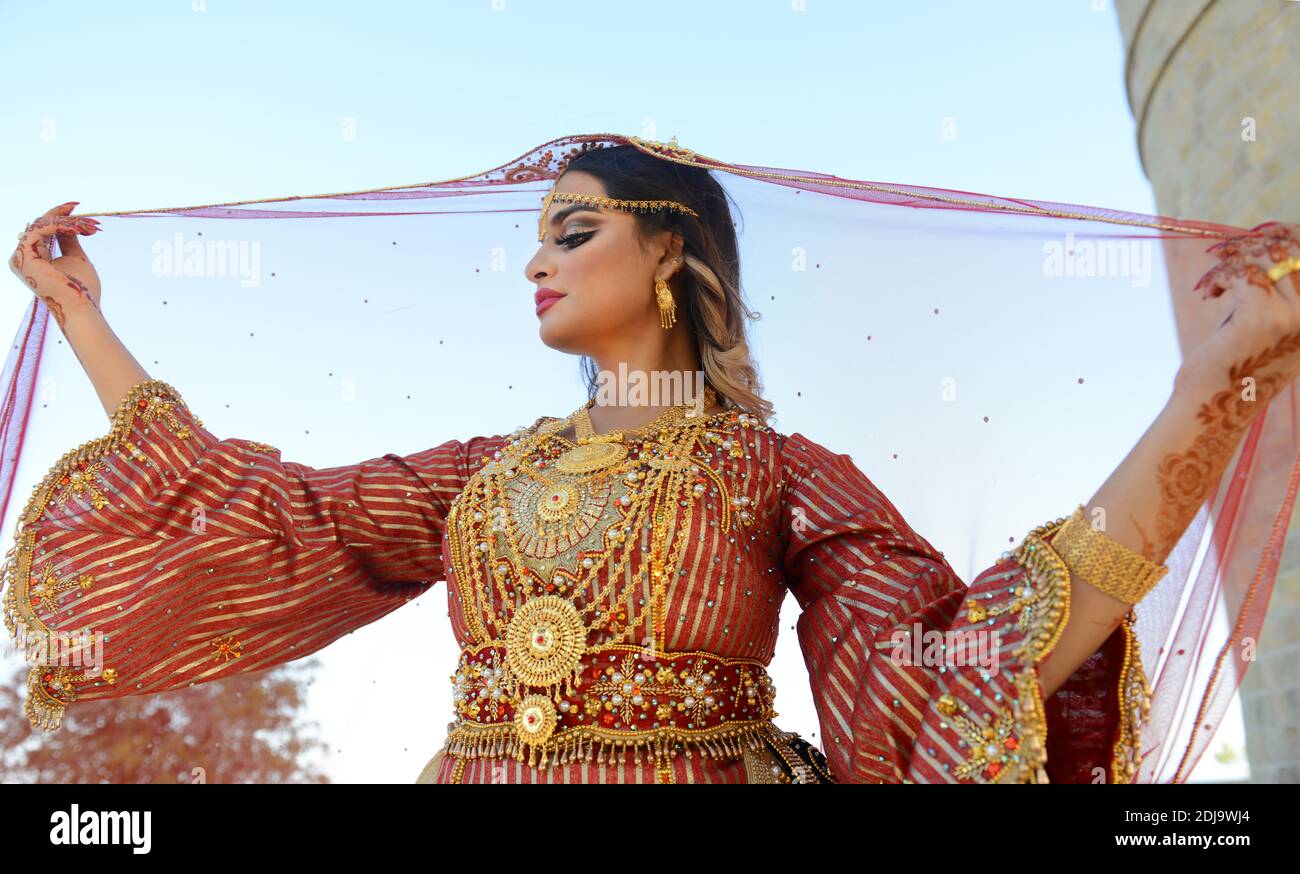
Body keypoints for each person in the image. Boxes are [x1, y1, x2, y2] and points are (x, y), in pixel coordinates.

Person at [5, 136, 1299, 783]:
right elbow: (263, 515)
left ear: (670, 253)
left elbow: (947, 663)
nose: (535, 258)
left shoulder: (779, 472)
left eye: (574, 230)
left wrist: (1208, 389)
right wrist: (81, 315)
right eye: (535, 238)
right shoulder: (482, 475)